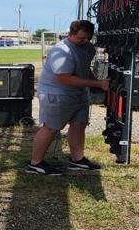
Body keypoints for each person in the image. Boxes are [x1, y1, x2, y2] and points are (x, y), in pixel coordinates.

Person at [27, 20, 109, 176]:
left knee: (79, 124)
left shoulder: (88, 48)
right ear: (70, 34)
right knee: (51, 128)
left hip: (78, 93)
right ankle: (35, 163)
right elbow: (65, 78)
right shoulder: (62, 51)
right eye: (81, 38)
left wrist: (96, 82)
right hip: (56, 94)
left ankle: (77, 160)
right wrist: (98, 84)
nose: (84, 41)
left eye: (88, 38)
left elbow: (84, 69)